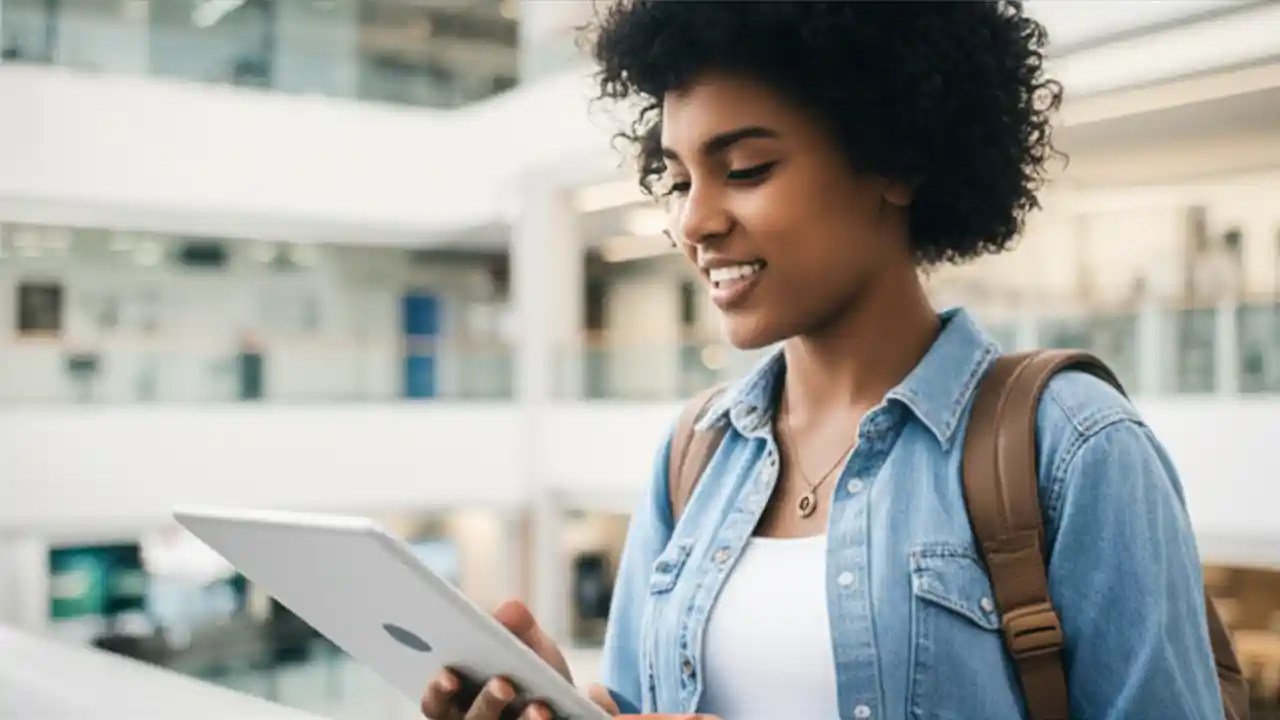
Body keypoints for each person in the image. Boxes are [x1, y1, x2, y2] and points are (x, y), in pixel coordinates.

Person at [422, 2, 1224, 719]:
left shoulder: (1075, 450)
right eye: (675, 179)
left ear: (896, 159)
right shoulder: (696, 458)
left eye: (746, 170)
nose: (695, 219)